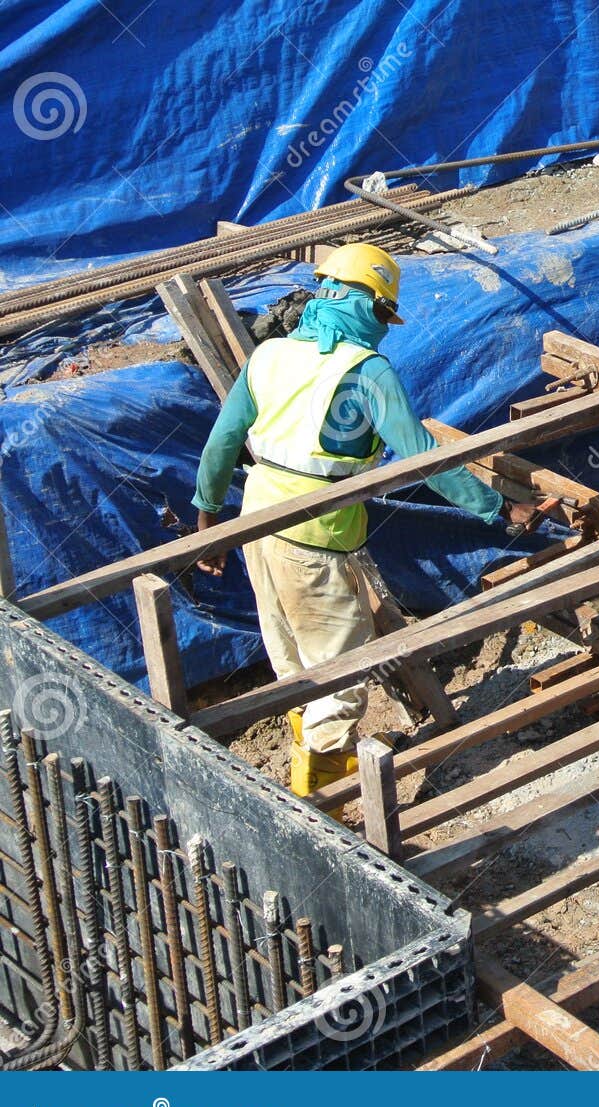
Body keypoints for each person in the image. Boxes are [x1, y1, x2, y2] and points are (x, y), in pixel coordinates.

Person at [191, 243, 541, 796]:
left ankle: (314, 753)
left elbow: (221, 444)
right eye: (382, 312)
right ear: (366, 304)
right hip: (317, 538)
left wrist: (209, 529)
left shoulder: (268, 356)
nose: (383, 326)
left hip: (255, 524)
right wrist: (499, 508)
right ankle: (317, 797)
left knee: (292, 658)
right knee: (343, 677)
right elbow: (424, 458)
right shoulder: (367, 371)